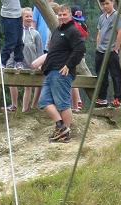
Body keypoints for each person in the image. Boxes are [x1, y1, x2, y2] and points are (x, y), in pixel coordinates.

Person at [36, 4, 86, 143]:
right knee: (44, 101)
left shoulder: (73, 30)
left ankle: (65, 134)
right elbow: (52, 52)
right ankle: (60, 126)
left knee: (63, 104)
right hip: (50, 72)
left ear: (70, 15)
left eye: (65, 14)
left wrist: (69, 65)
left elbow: (80, 49)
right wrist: (44, 66)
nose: (62, 17)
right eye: (60, 14)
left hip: (61, 73)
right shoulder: (57, 31)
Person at [94, 0, 121, 108]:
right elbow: (99, 32)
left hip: (111, 50)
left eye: (107, 3)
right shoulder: (102, 17)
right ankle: (102, 98)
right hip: (100, 51)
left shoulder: (116, 16)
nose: (105, 6)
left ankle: (117, 98)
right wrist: (97, 46)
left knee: (115, 75)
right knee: (101, 75)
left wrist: (116, 47)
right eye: (103, 4)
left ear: (112, 2)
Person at [18, 9, 45, 113]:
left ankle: (31, 107)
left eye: (30, 16)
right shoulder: (18, 32)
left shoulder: (36, 34)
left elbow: (40, 51)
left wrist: (40, 64)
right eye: (27, 16)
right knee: (23, 86)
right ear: (22, 18)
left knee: (34, 85)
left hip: (33, 63)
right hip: (21, 63)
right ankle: (20, 107)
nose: (29, 18)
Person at [70, 7, 88, 113]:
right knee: (74, 78)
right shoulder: (84, 25)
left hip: (75, 55)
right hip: (81, 54)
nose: (77, 22)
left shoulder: (74, 26)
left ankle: (76, 103)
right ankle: (77, 102)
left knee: (72, 79)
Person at [0, 0, 26, 71]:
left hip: (18, 15)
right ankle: (2, 61)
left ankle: (19, 61)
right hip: (8, 16)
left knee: (19, 41)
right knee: (11, 42)